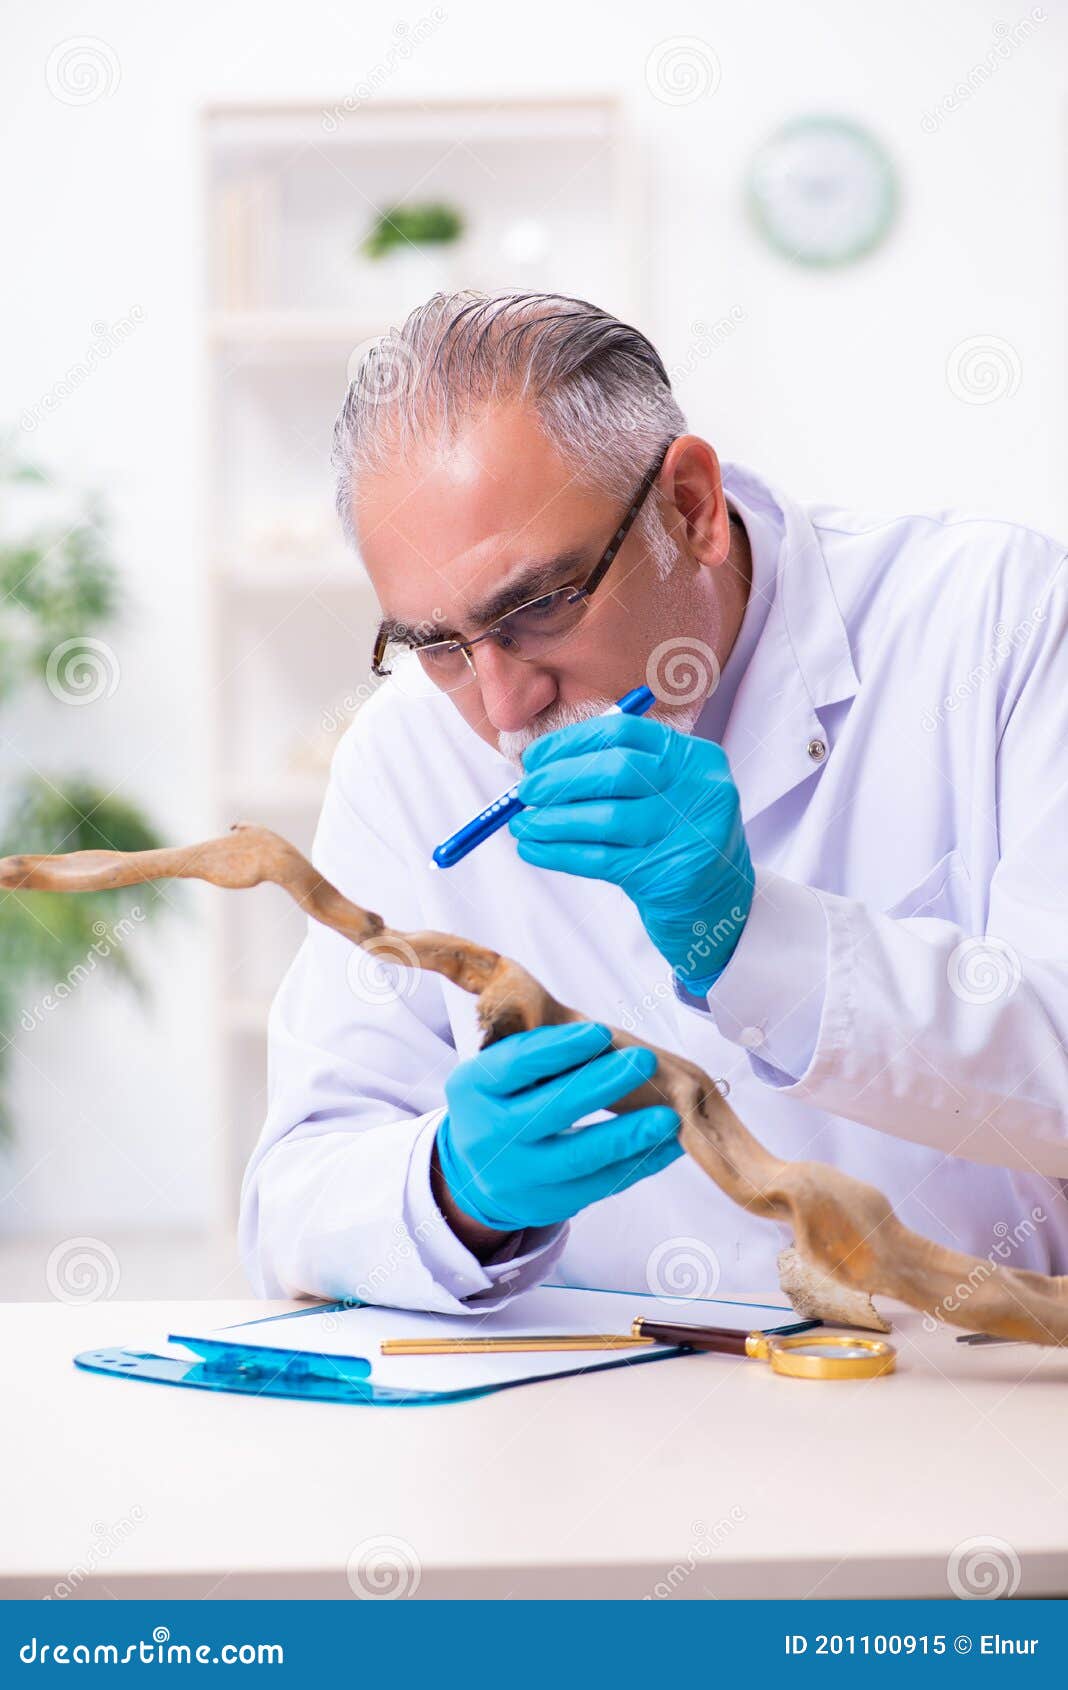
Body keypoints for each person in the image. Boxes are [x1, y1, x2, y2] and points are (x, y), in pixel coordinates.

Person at [239, 290, 1068, 1313]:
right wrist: (454, 1191)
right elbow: (293, 1198)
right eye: (437, 645)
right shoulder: (404, 754)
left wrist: (753, 938)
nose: (503, 705)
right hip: (601, 1389)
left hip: (966, 1376)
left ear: (691, 506)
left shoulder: (997, 617)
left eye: (539, 605)